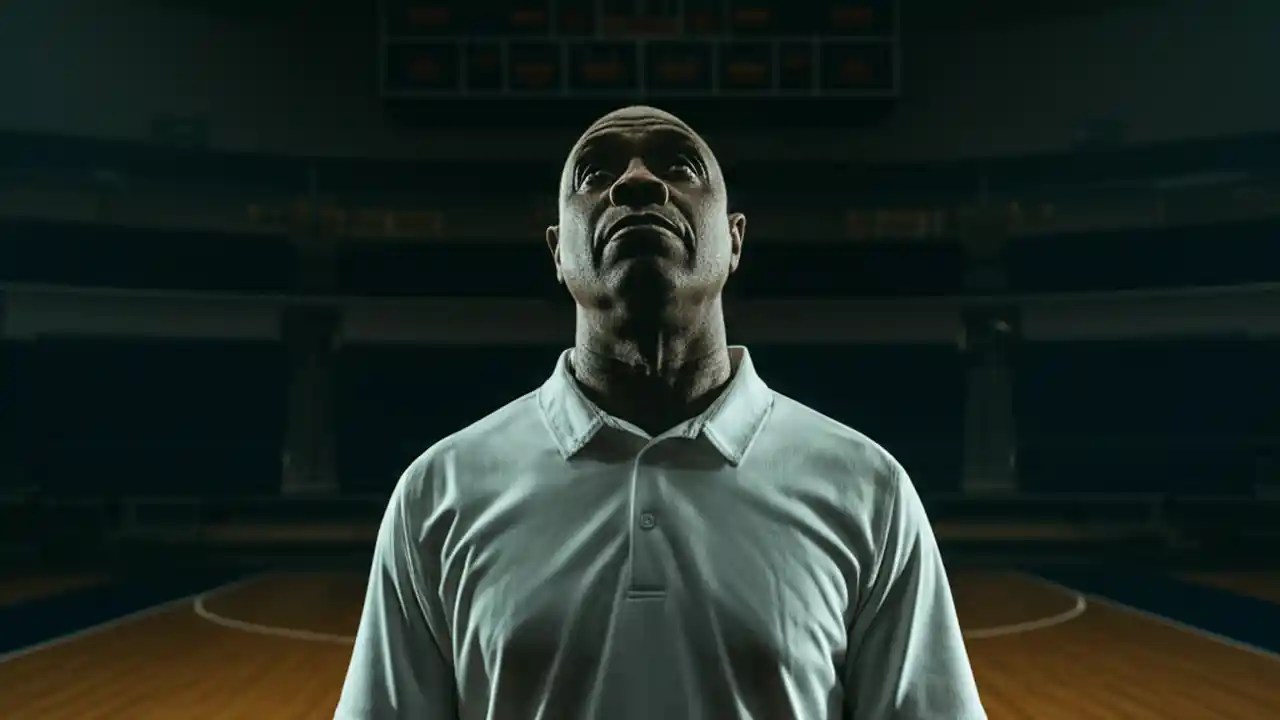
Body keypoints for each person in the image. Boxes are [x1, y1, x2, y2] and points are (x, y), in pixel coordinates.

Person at [335, 105, 986, 719]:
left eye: (678, 166)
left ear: (734, 242)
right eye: (596, 173)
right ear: (558, 252)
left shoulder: (867, 487)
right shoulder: (438, 492)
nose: (637, 184)